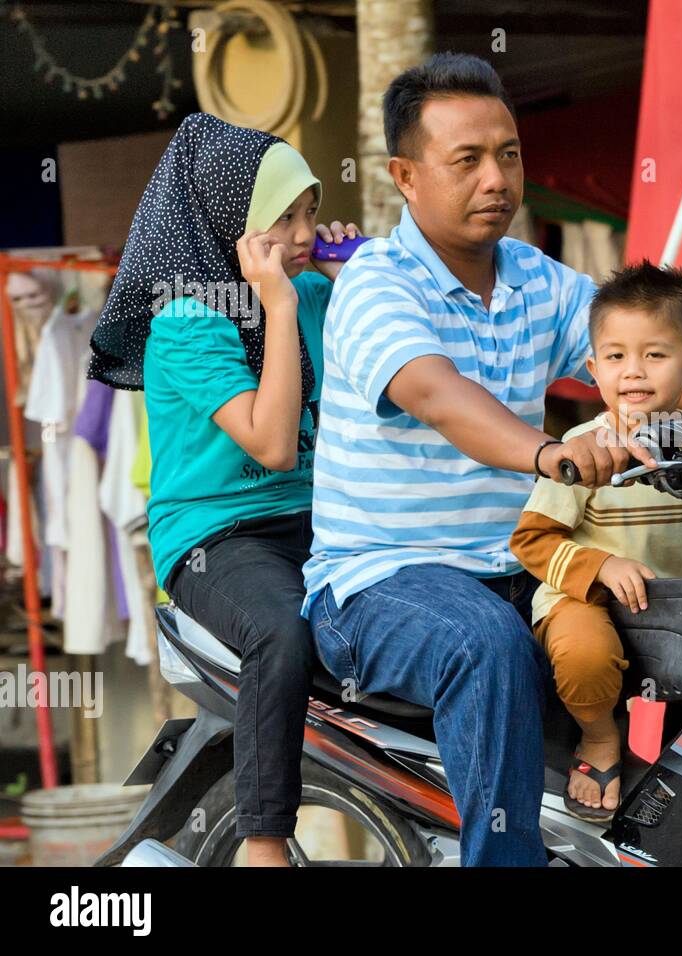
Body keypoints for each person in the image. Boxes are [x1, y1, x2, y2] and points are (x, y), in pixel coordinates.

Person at [303, 53, 682, 866]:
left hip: (519, 567)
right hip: (382, 581)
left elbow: (663, 360)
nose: (496, 179)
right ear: (404, 175)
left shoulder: (533, 280)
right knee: (485, 641)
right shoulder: (378, 284)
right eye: (465, 161)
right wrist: (553, 454)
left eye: (507, 154)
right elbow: (436, 394)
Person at [89, 113, 359, 867]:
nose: (305, 232)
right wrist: (279, 304)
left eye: (310, 212)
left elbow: (391, 402)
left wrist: (358, 286)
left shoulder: (312, 294)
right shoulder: (184, 322)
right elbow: (272, 445)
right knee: (282, 628)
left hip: (317, 519)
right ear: (228, 222)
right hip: (217, 538)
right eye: (284, 218)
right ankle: (263, 839)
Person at [509, 261, 682, 821]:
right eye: (615, 356)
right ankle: (600, 738)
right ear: (592, 368)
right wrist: (602, 565)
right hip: (582, 598)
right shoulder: (586, 446)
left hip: (666, 604)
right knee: (585, 653)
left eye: (655, 355)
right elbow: (531, 541)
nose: (633, 372)